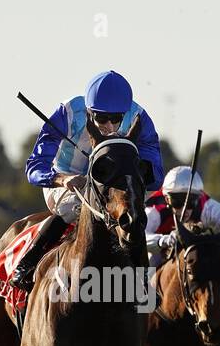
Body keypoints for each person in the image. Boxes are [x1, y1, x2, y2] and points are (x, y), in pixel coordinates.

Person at [11, 70, 164, 290]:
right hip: (70, 181)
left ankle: (141, 284)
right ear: (88, 110)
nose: (109, 126)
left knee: (133, 213)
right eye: (101, 118)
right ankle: (28, 262)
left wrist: (132, 174)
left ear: (126, 112)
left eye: (116, 119)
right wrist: (62, 179)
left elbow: (156, 173)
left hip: (113, 185)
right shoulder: (68, 113)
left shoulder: (139, 117)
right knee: (76, 206)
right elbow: (35, 167)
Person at [145, 165, 220, 271]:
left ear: (199, 197)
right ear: (167, 199)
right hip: (158, 255)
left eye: (191, 201)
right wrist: (164, 240)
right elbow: (141, 237)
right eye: (178, 201)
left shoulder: (208, 208)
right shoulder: (154, 210)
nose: (185, 208)